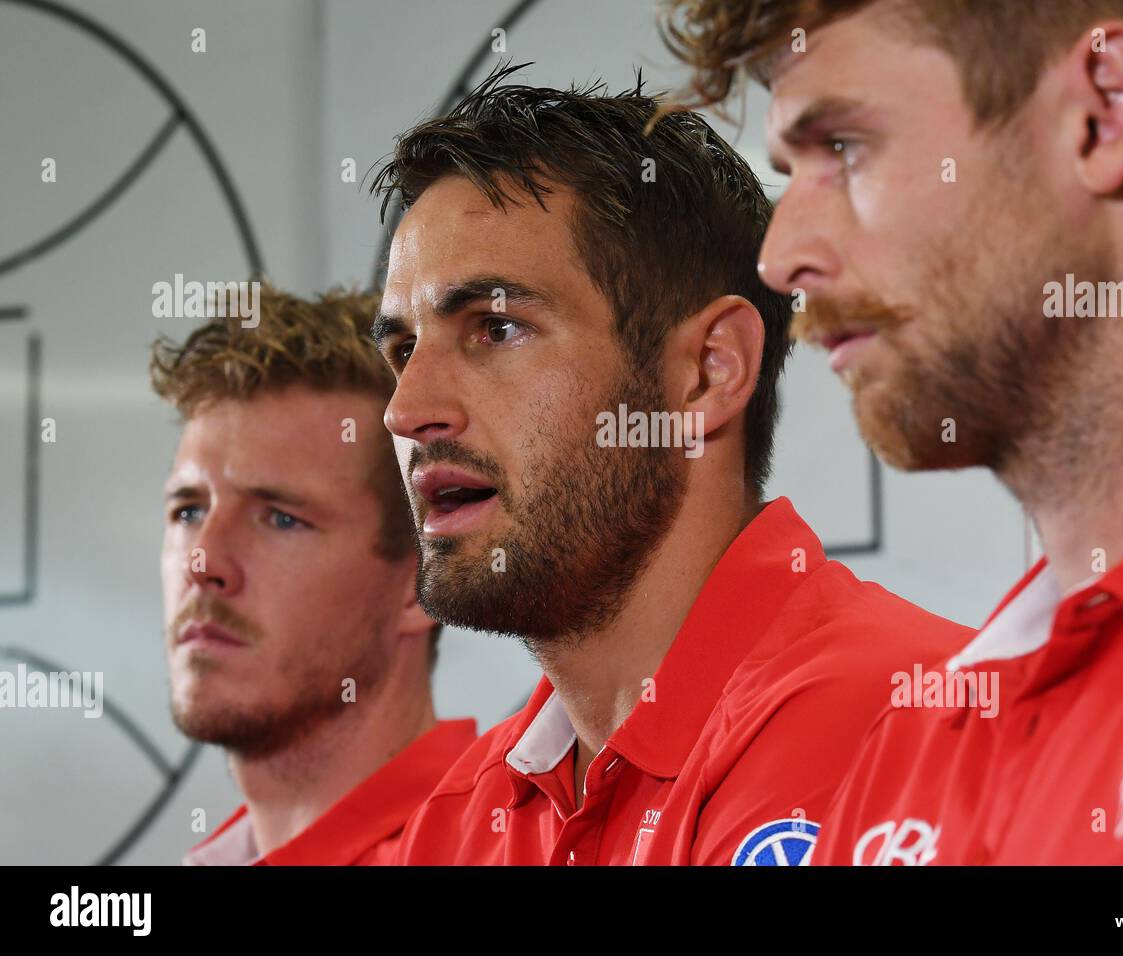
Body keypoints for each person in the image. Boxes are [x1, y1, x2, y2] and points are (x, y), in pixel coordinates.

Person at [661, 0, 1123, 863]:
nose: (782, 258)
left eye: (842, 149)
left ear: (1104, 114)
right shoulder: (929, 726)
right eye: (789, 167)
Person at [369, 66, 969, 865]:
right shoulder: (457, 829)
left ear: (707, 371)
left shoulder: (927, 728)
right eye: (404, 348)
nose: (407, 410)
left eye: (495, 328)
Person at [151, 283, 475, 865]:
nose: (205, 562)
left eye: (280, 518)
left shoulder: (498, 849)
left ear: (421, 584)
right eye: (189, 511)